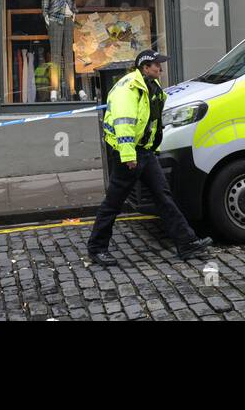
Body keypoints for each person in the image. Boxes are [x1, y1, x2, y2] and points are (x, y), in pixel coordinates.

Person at [87, 49, 213, 266]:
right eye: (157, 65)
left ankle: (186, 243)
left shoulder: (151, 88)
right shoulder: (129, 89)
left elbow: (151, 123)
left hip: (144, 153)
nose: (161, 68)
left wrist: (152, 149)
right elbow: (123, 123)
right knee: (114, 202)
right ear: (145, 67)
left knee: (164, 197)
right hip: (129, 153)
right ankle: (97, 248)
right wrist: (128, 156)